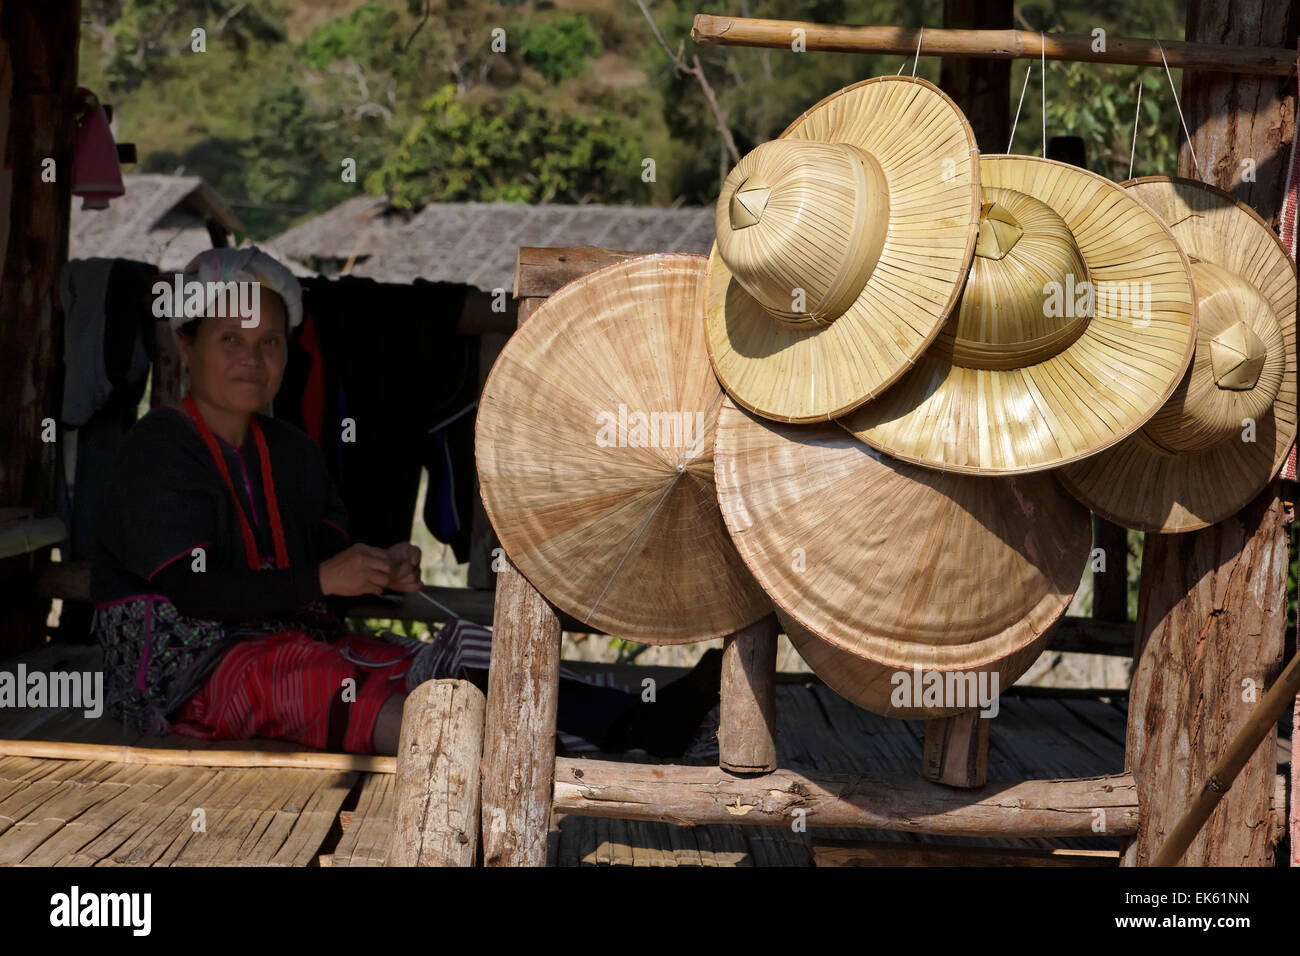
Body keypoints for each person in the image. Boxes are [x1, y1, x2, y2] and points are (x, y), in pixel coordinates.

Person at [90, 247, 722, 757]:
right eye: (230, 339)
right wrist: (324, 578)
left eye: (271, 342)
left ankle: (634, 723)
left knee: (455, 648)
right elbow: (194, 589)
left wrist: (377, 562)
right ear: (186, 345)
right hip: (184, 675)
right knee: (317, 680)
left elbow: (326, 550)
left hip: (289, 636)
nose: (253, 359)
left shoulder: (290, 450)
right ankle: (484, 754)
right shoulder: (158, 448)